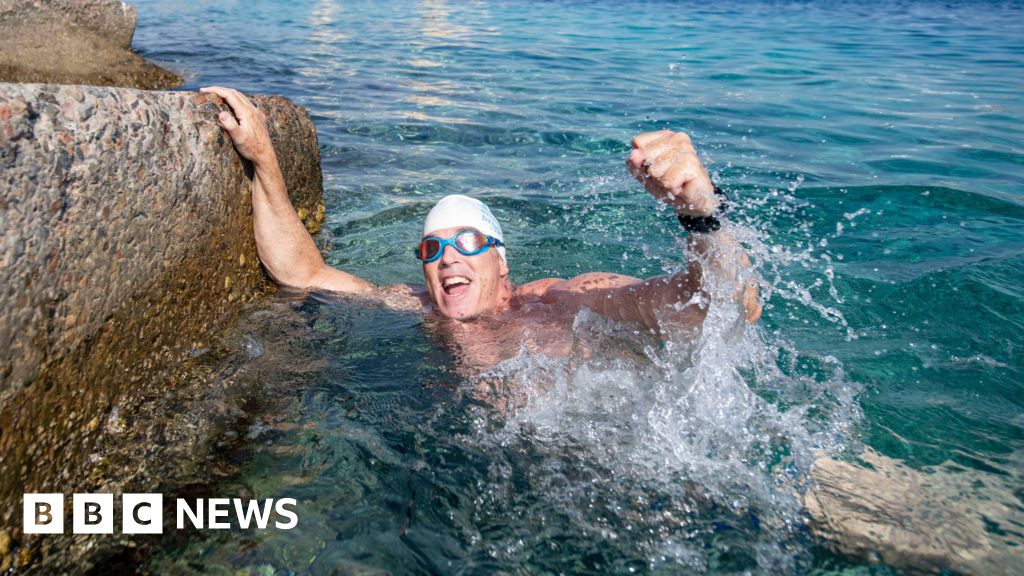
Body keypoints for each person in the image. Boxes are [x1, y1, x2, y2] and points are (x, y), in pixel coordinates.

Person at [200, 86, 761, 371]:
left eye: (467, 242)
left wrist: (699, 211)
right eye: (433, 247)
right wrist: (262, 158)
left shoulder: (562, 299)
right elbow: (303, 272)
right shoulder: (416, 306)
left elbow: (720, 306)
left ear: (501, 260)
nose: (448, 258)